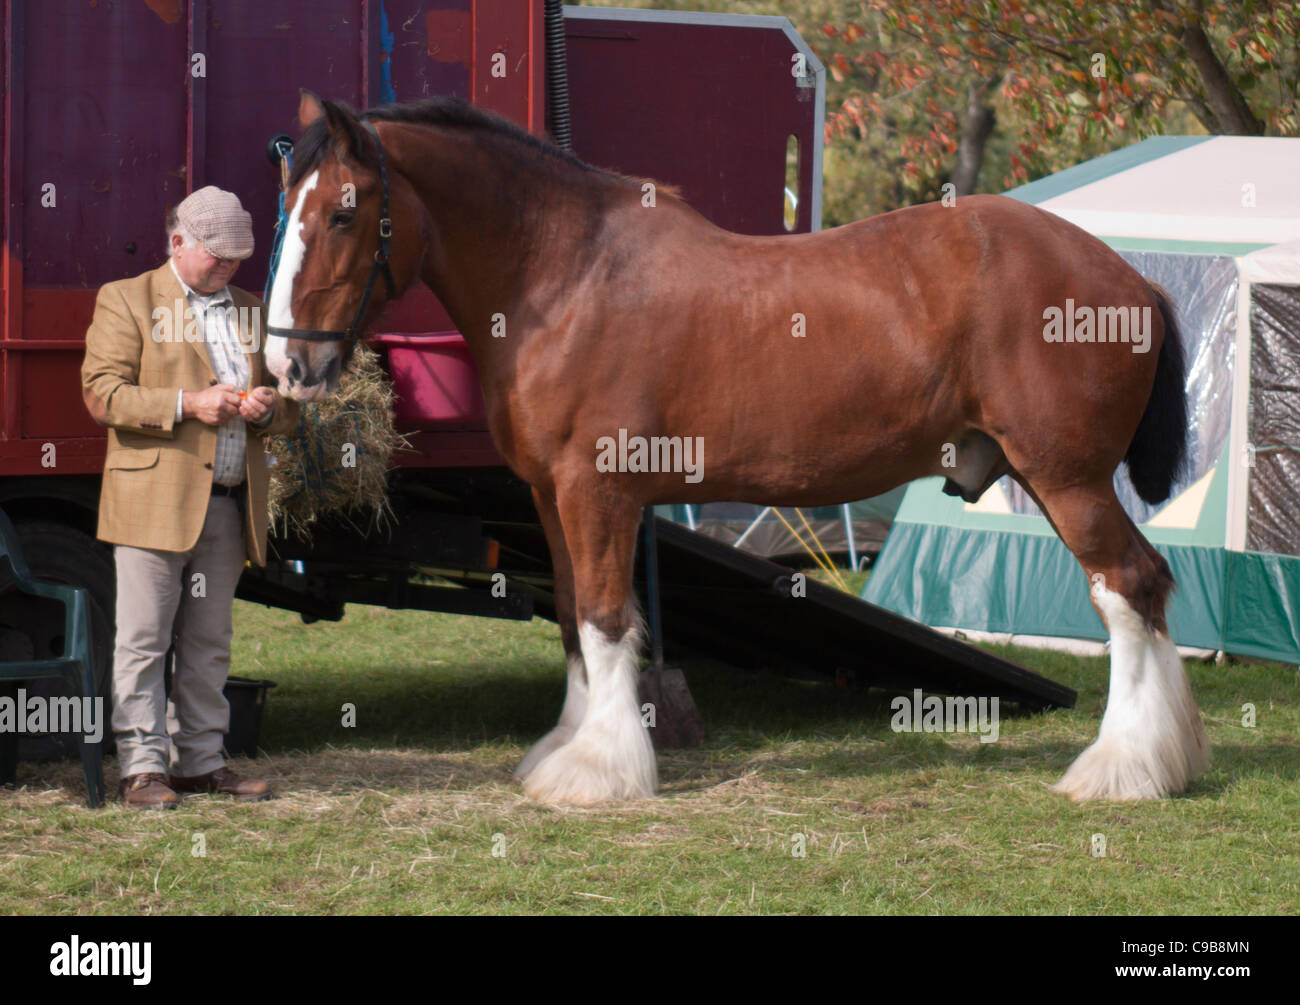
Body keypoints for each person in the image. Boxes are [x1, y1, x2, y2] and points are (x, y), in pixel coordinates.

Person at [81, 186, 300, 808]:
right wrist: (188, 405)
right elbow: (102, 393)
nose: (229, 268)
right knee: (144, 640)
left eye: (238, 259)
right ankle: (143, 770)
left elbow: (288, 412)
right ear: (178, 242)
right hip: (153, 501)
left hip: (229, 502)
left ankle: (203, 762)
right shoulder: (126, 299)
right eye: (218, 256)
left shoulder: (252, 311)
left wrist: (266, 410)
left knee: (210, 641)